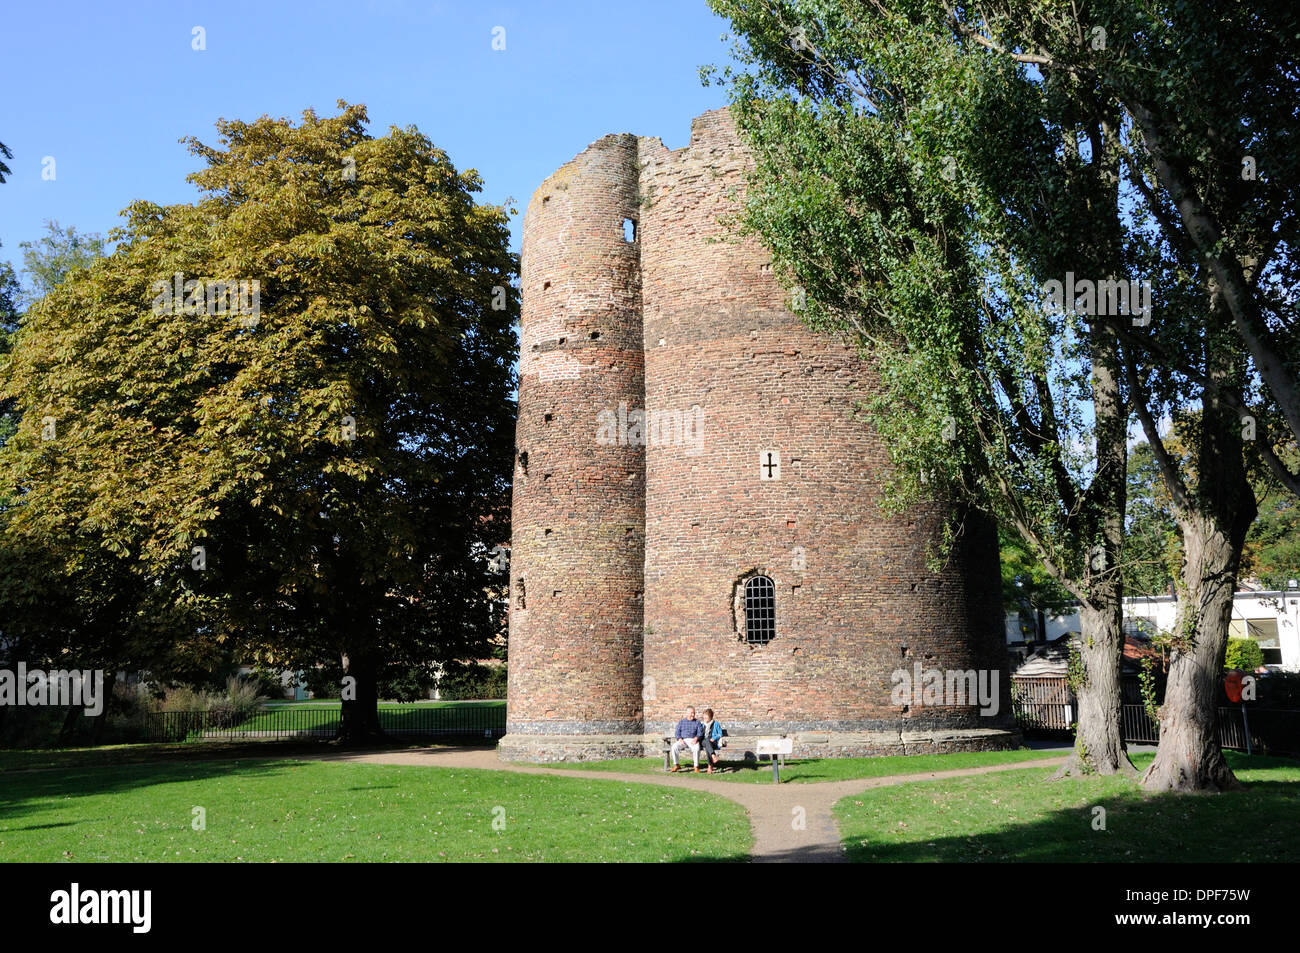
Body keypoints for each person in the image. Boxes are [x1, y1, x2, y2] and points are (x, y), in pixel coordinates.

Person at [670, 706, 704, 772]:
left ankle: (696, 766)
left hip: (693, 740)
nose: (693, 715)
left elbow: (700, 732)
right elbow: (677, 732)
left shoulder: (697, 722)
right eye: (691, 713)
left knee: (696, 748)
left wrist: (696, 738)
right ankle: (676, 764)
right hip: (683, 740)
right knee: (674, 747)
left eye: (694, 713)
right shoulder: (681, 722)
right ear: (687, 713)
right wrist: (679, 739)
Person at [699, 708, 724, 773]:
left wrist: (714, 738)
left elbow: (720, 734)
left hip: (713, 742)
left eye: (706, 716)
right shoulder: (701, 724)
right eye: (704, 715)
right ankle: (713, 756)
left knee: (708, 747)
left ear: (710, 716)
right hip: (703, 742)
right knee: (707, 741)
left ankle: (710, 766)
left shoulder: (716, 724)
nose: (704, 717)